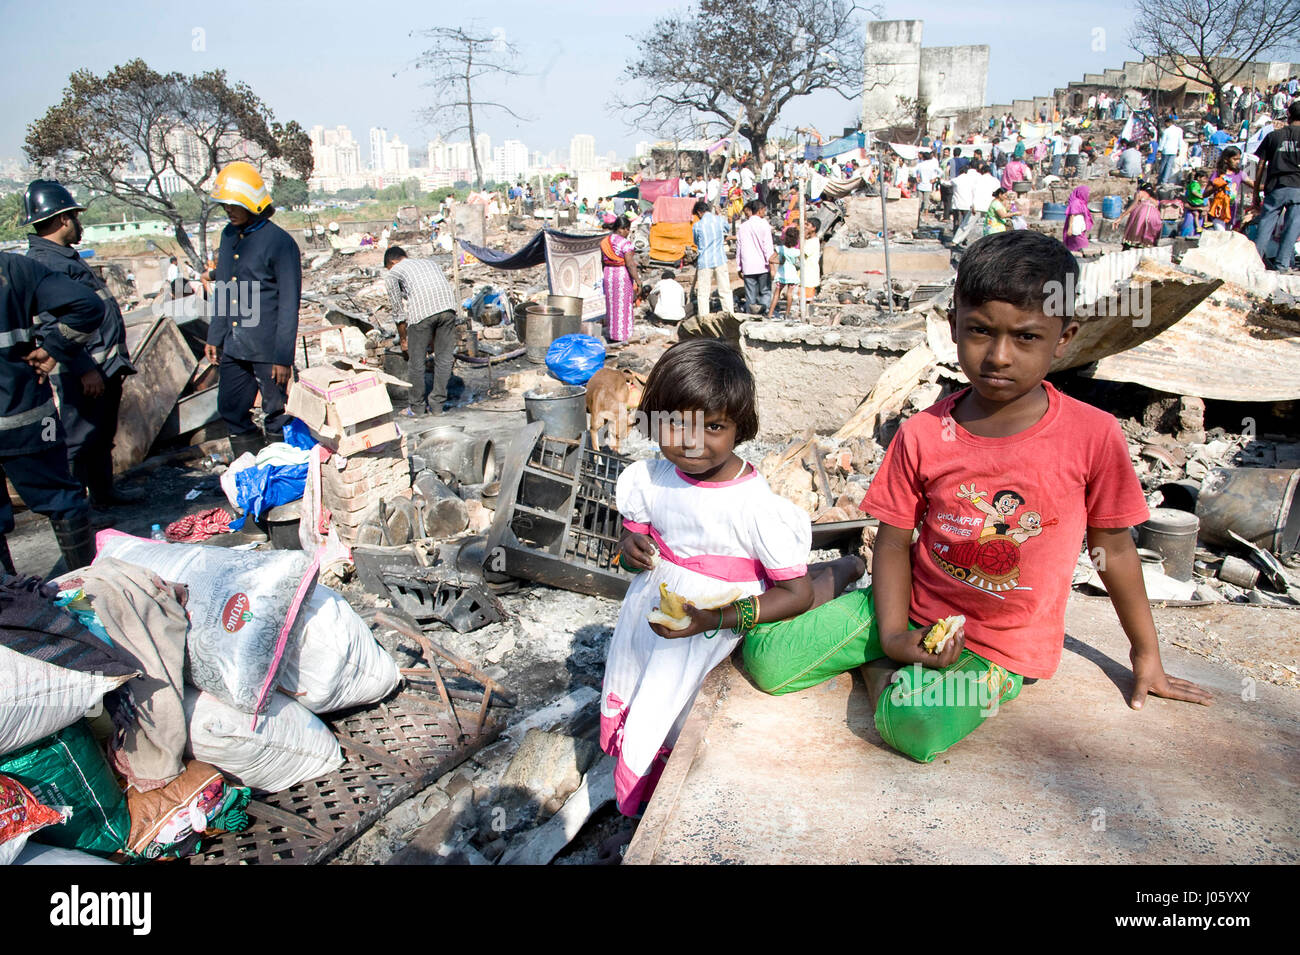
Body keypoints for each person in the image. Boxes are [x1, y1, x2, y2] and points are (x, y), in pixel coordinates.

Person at [741, 230, 1211, 762]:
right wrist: (895, 636)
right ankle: (875, 632)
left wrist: (1146, 655)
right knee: (765, 661)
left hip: (999, 648)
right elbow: (894, 543)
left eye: (1026, 337)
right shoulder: (922, 433)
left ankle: (880, 667)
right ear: (953, 328)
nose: (999, 356)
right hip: (903, 608)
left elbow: (1116, 548)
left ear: (1065, 336)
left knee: (914, 726)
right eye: (980, 332)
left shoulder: (1093, 435)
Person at [603, 338, 864, 814]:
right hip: (662, 611)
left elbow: (795, 594)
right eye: (675, 423)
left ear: (741, 428)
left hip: (721, 615)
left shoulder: (753, 507)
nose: (691, 442)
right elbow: (633, 534)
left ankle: (848, 566)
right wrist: (630, 548)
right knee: (649, 691)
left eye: (714, 427)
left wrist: (716, 618)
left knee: (678, 712)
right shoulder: (651, 479)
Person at [22, 179, 140, 510]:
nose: (79, 223)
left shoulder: (63, 257)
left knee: (100, 436)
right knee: (78, 441)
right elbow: (54, 328)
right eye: (75, 216)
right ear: (62, 219)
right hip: (81, 372)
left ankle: (104, 494)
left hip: (102, 367)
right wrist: (86, 368)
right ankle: (79, 512)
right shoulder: (47, 264)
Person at [0, 252, 106, 574]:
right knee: (62, 495)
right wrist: (53, 349)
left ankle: (12, 611)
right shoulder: (14, 268)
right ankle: (88, 589)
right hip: (32, 419)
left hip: (29, 417)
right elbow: (88, 306)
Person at [203, 161, 302, 458]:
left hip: (268, 348)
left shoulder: (280, 243)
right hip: (235, 344)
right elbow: (224, 287)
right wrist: (215, 335)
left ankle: (280, 475)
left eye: (233, 205)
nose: (228, 211)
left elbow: (288, 304)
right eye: (225, 206)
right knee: (230, 408)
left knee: (276, 413)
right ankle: (255, 465)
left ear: (251, 203)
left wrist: (283, 357)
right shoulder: (229, 236)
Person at [383, 246, 458, 417]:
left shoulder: (394, 272)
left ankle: (416, 408)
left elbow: (398, 312)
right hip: (448, 308)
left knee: (416, 362)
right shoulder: (428, 262)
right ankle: (437, 407)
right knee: (444, 359)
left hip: (422, 313)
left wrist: (403, 340)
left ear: (392, 262)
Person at [1252, 101, 1300, 272]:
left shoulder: (1273, 136)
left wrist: (1256, 191)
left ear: (1288, 115)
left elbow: (1260, 165)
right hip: (1297, 188)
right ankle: (1282, 265)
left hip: (1275, 187)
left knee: (1265, 226)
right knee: (1292, 227)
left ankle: (1254, 263)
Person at [600, 215, 639, 342]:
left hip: (608, 274)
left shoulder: (605, 241)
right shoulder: (625, 243)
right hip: (622, 276)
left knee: (611, 304)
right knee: (623, 304)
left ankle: (612, 333)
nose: (628, 233)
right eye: (627, 229)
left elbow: (602, 261)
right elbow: (630, 264)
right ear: (621, 229)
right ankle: (622, 335)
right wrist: (638, 280)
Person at [690, 199, 732, 316]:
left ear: (699, 212)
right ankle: (729, 314)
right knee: (725, 290)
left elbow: (696, 242)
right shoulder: (719, 220)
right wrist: (719, 214)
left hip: (705, 261)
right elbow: (727, 229)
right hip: (720, 259)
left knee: (703, 292)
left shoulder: (697, 226)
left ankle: (703, 317)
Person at [736, 200, 775, 314]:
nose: (765, 212)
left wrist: (739, 266)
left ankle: (750, 315)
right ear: (760, 210)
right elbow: (768, 248)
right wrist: (772, 266)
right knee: (765, 291)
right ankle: (764, 312)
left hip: (748, 266)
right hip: (763, 265)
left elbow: (739, 248)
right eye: (764, 210)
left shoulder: (743, 227)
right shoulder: (764, 225)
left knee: (750, 294)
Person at [1205, 147, 1241, 230]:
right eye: (1235, 159)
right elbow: (1205, 194)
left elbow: (1253, 185)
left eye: (1239, 159)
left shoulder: (1239, 174)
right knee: (1221, 235)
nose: (1237, 162)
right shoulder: (1217, 174)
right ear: (1226, 159)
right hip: (1219, 213)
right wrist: (1218, 186)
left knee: (1227, 237)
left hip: (1231, 213)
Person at [769, 226, 801, 319]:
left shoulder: (780, 248)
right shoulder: (797, 252)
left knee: (776, 294)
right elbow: (799, 263)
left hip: (781, 274)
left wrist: (779, 262)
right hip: (792, 275)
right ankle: (787, 314)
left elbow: (770, 259)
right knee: (789, 294)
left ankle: (770, 314)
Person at [1121, 180, 1163, 249]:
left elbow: (1133, 205)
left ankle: (1132, 244)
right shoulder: (1155, 198)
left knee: (1136, 229)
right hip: (1154, 217)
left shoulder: (1139, 194)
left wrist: (1123, 215)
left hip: (1141, 214)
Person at [1063, 184, 1094, 252]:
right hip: (1075, 227)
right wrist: (1070, 228)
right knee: (1081, 241)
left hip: (1079, 226)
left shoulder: (1081, 202)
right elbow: (1072, 215)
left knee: (1076, 242)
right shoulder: (1076, 202)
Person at [1158, 117, 1185, 184]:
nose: (1165, 125)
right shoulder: (1178, 130)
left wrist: (1159, 150)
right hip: (1174, 151)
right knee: (1169, 166)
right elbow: (1180, 140)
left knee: (1163, 166)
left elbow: (1163, 141)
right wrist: (1179, 149)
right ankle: (1164, 180)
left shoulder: (1166, 131)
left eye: (1165, 124)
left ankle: (1160, 180)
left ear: (1169, 123)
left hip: (1166, 150)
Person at [800, 217, 821, 301]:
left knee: (807, 299)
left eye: (807, 225)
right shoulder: (809, 240)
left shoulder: (814, 242)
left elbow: (802, 253)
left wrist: (803, 236)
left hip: (809, 274)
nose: (805, 227)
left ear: (813, 228)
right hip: (805, 273)